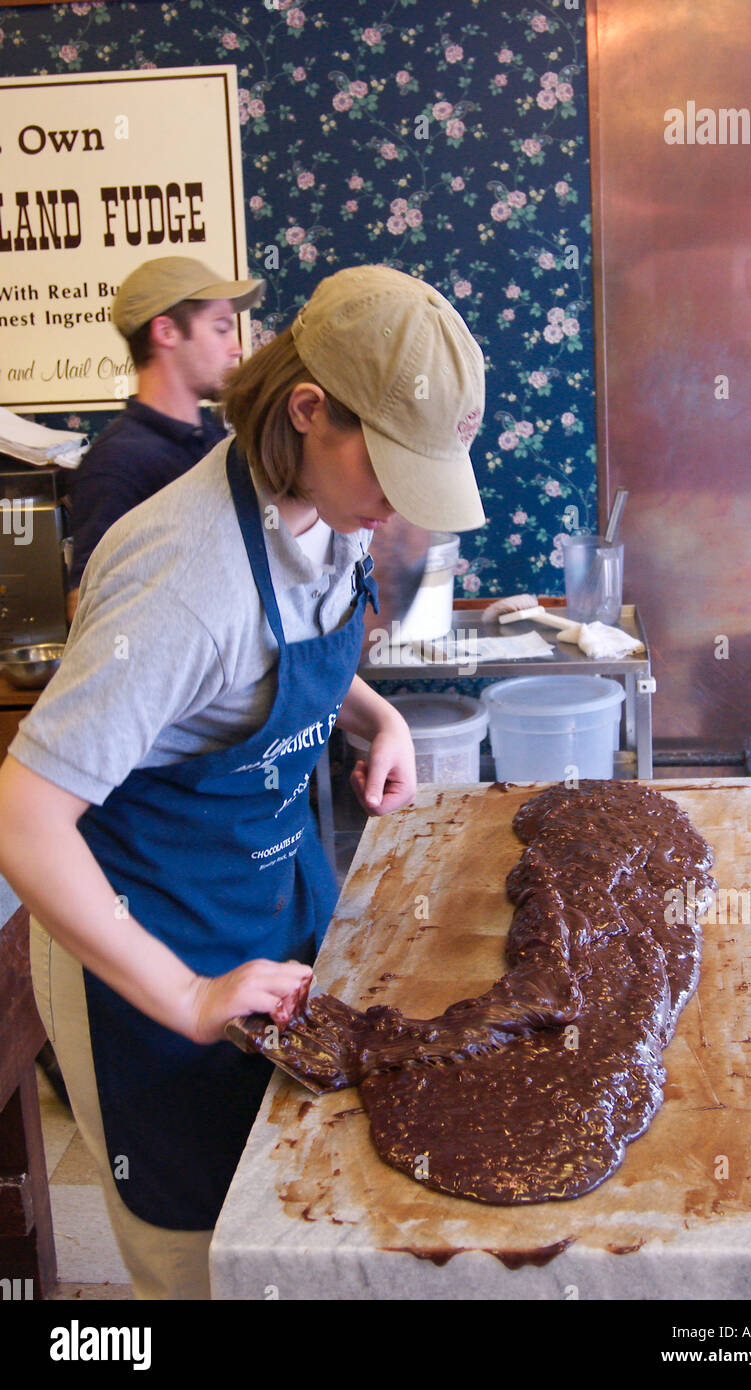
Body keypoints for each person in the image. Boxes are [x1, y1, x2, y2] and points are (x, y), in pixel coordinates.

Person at [0, 264, 486, 1300]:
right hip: (150, 936)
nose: (399, 507)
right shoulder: (182, 572)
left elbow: (274, 646)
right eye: (390, 470)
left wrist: (373, 713)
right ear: (309, 410)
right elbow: (26, 815)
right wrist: (180, 994)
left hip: (270, 893)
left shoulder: (314, 506)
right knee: (204, 1258)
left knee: (291, 1215)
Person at [65, 256, 265, 620]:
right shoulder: (117, 463)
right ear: (166, 332)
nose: (236, 347)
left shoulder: (215, 439)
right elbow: (87, 605)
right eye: (221, 328)